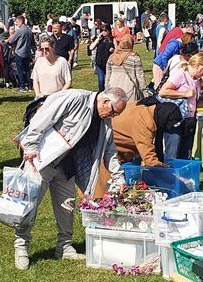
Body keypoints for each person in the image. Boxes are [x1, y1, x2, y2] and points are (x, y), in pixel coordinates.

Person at [15, 88, 128, 270]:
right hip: (43, 159)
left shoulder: (105, 121)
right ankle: (21, 247)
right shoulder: (75, 98)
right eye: (114, 111)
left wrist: (119, 177)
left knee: (67, 206)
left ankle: (64, 247)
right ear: (105, 101)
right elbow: (43, 118)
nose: (113, 116)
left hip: (67, 167)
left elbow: (110, 151)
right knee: (30, 204)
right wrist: (31, 146)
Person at [158, 53, 203, 160]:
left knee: (185, 154)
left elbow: (194, 101)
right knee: (173, 153)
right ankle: (170, 175)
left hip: (188, 121)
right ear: (198, 66)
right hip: (175, 121)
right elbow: (163, 92)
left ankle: (182, 176)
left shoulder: (196, 81)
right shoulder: (180, 74)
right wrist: (184, 93)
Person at [111, 99, 183, 166]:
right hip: (111, 151)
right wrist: (166, 170)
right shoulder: (144, 123)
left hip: (119, 149)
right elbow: (149, 159)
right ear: (164, 117)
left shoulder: (148, 108)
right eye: (168, 124)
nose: (168, 128)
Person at [105, 36, 145, 103]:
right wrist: (145, 92)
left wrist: (106, 90)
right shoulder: (135, 58)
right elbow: (140, 77)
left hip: (113, 89)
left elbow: (107, 76)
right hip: (129, 90)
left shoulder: (111, 57)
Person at [6, 15, 34, 92]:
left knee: (20, 70)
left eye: (17, 22)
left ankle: (22, 87)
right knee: (27, 70)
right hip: (27, 52)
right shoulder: (29, 30)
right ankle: (30, 86)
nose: (17, 24)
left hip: (20, 52)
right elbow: (32, 43)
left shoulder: (20, 30)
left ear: (21, 21)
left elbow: (11, 41)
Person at [88, 24, 114, 91]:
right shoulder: (98, 39)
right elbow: (91, 47)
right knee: (101, 80)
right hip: (99, 63)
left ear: (109, 31)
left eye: (105, 30)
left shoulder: (112, 39)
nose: (103, 32)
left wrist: (113, 50)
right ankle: (101, 93)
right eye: (102, 30)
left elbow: (117, 50)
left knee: (108, 81)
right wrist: (98, 39)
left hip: (109, 63)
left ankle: (109, 93)